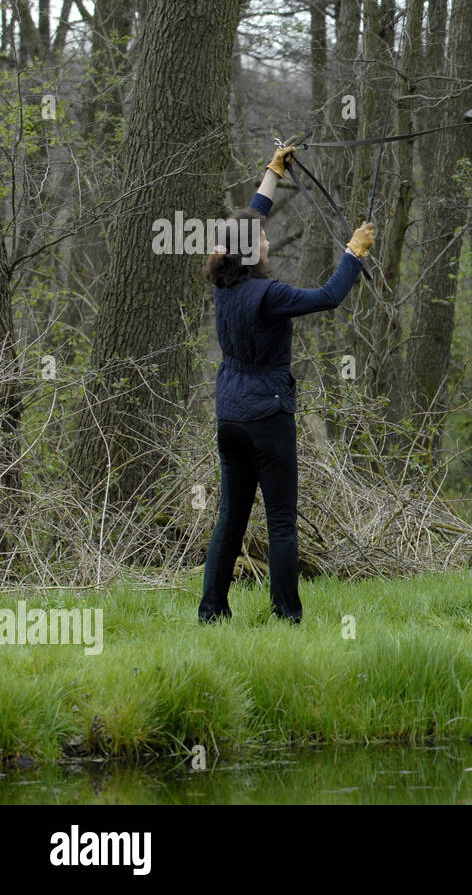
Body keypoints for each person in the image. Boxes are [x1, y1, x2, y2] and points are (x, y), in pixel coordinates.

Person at [198, 143, 373, 623]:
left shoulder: (224, 283)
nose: (269, 240)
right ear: (251, 250)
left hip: (229, 414)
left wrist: (272, 174)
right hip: (267, 416)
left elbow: (249, 219)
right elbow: (329, 296)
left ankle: (211, 612)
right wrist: (352, 253)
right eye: (263, 239)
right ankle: (287, 617)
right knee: (280, 522)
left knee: (230, 518)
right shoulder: (269, 294)